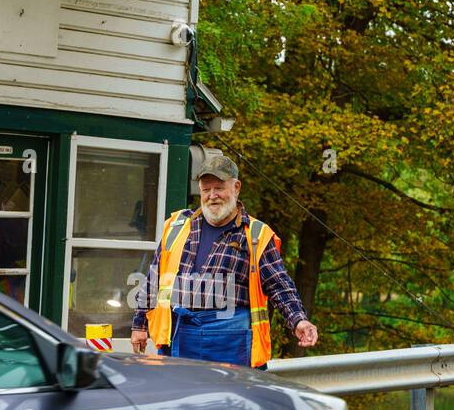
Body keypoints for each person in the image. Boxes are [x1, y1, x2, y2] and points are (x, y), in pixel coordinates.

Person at [129, 148, 318, 368]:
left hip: (231, 341)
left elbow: (280, 285)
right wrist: (139, 324)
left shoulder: (255, 234)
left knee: (230, 400)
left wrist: (298, 320)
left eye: (219, 188)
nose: (212, 195)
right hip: (180, 335)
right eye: (206, 189)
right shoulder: (178, 226)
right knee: (181, 400)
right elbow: (154, 277)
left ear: (236, 187)